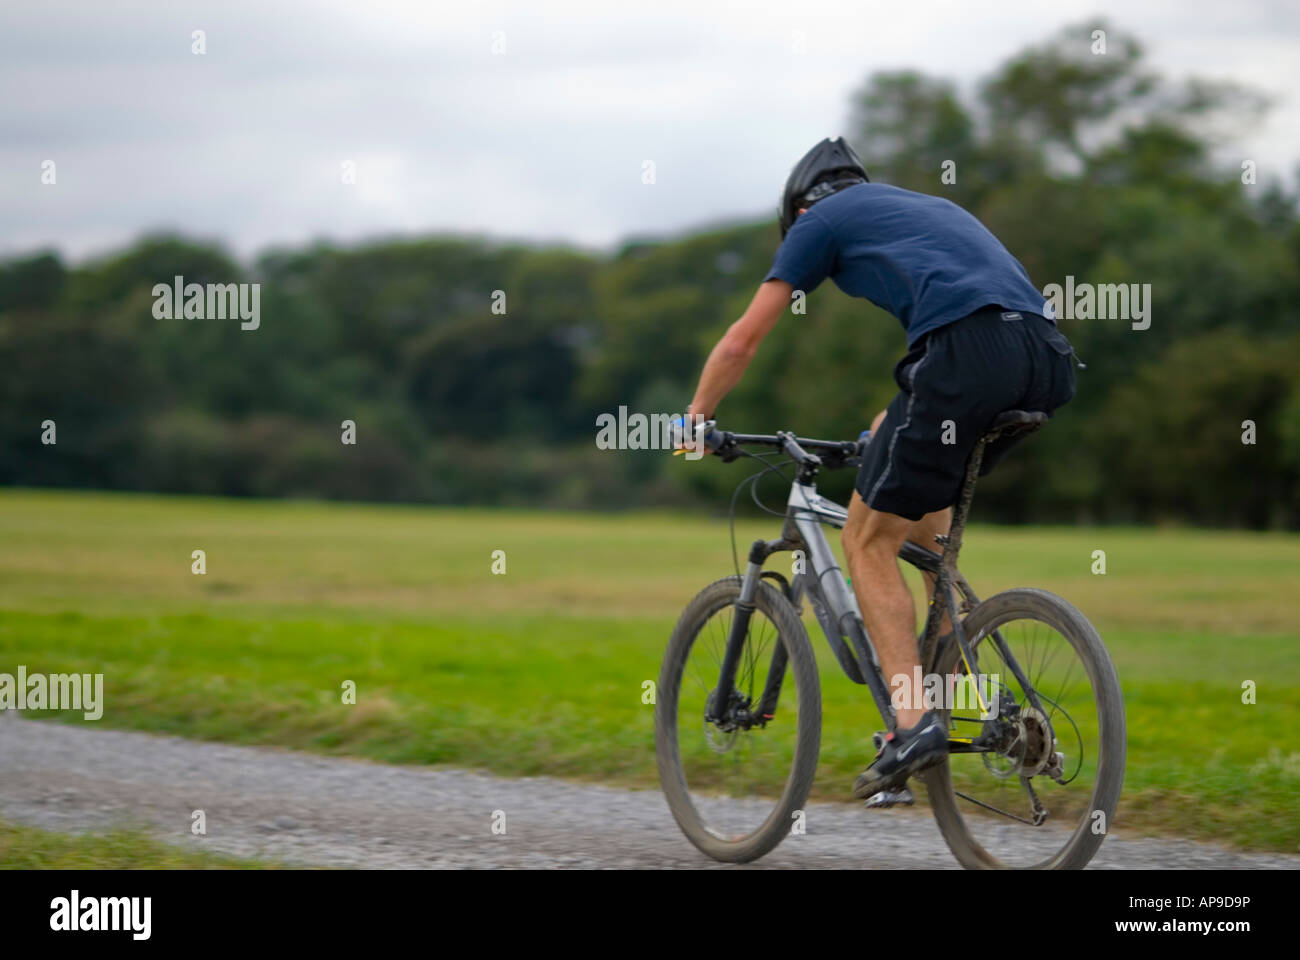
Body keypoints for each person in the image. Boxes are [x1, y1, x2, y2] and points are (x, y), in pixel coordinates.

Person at [681, 136, 1078, 801]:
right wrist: (882, 431)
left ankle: (912, 723)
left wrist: (693, 418)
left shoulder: (821, 223)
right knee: (931, 547)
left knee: (866, 539)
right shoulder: (920, 208)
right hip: (1044, 358)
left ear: (801, 209)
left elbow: (743, 337)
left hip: (964, 356)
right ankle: (971, 708)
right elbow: (966, 328)